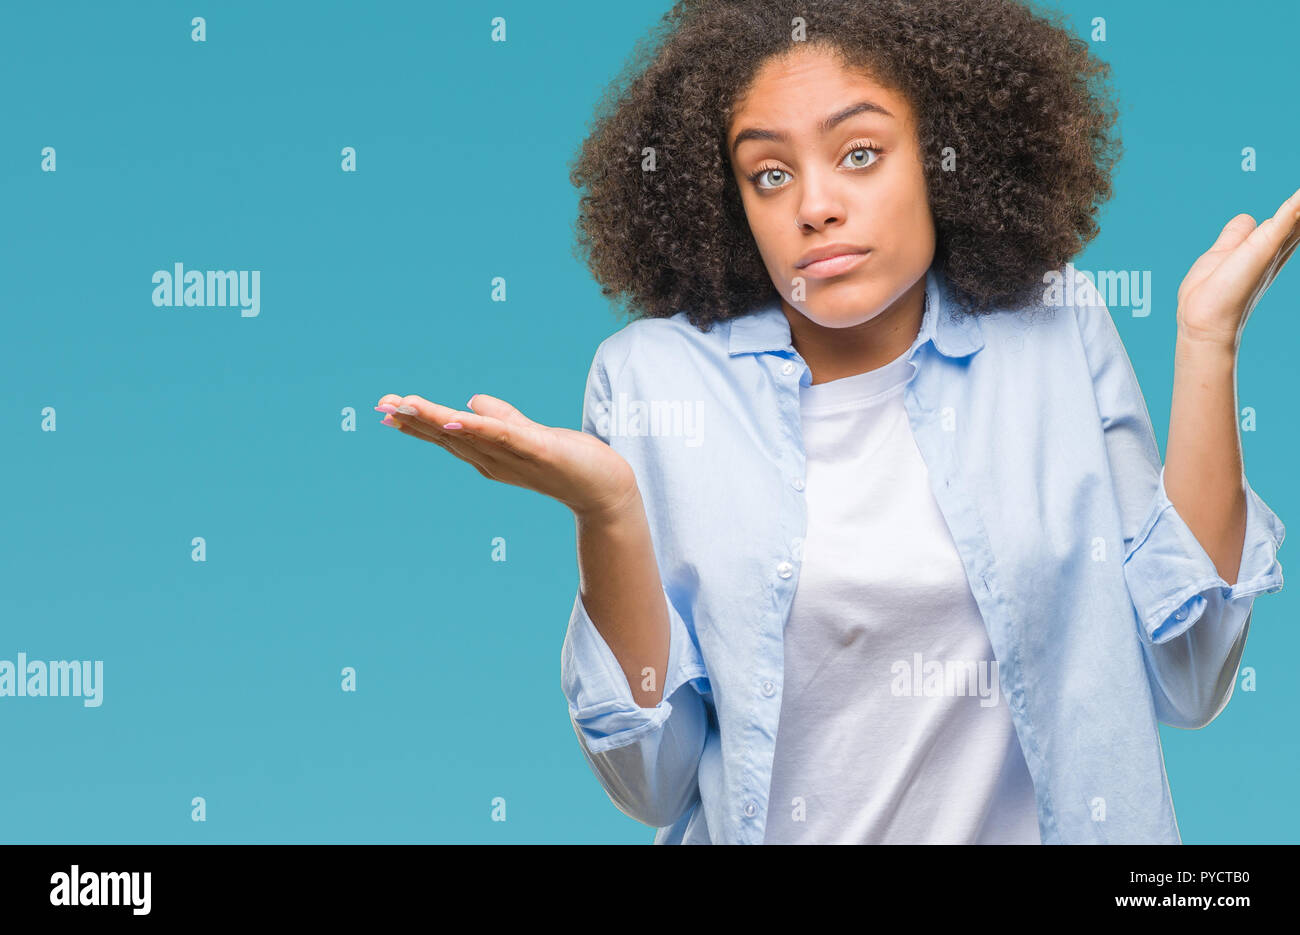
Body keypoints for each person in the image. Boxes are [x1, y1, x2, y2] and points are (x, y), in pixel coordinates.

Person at [375, 0, 1295, 843]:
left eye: (859, 152)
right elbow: (650, 783)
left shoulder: (1055, 328)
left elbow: (1193, 670)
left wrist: (1207, 345)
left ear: (943, 152)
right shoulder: (652, 378)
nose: (814, 206)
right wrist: (608, 511)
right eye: (769, 173)